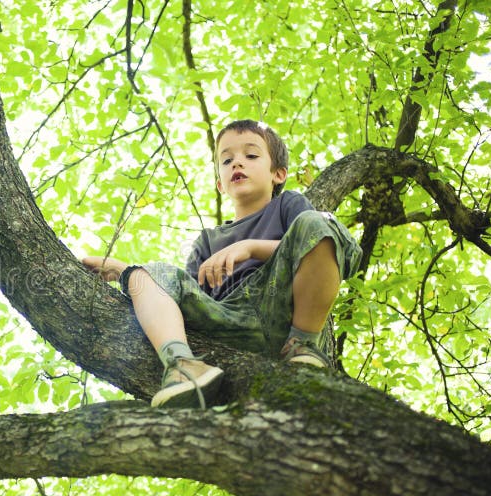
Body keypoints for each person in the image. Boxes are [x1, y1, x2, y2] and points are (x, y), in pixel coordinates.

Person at [83, 119, 362, 408]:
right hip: (227, 318)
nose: (237, 163)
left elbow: (324, 244)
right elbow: (180, 293)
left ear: (278, 174)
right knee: (151, 273)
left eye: (251, 155)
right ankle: (183, 365)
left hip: (284, 307)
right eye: (227, 160)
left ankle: (302, 345)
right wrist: (128, 272)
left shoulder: (288, 205)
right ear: (220, 184)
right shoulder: (207, 240)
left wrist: (250, 247)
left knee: (315, 223)